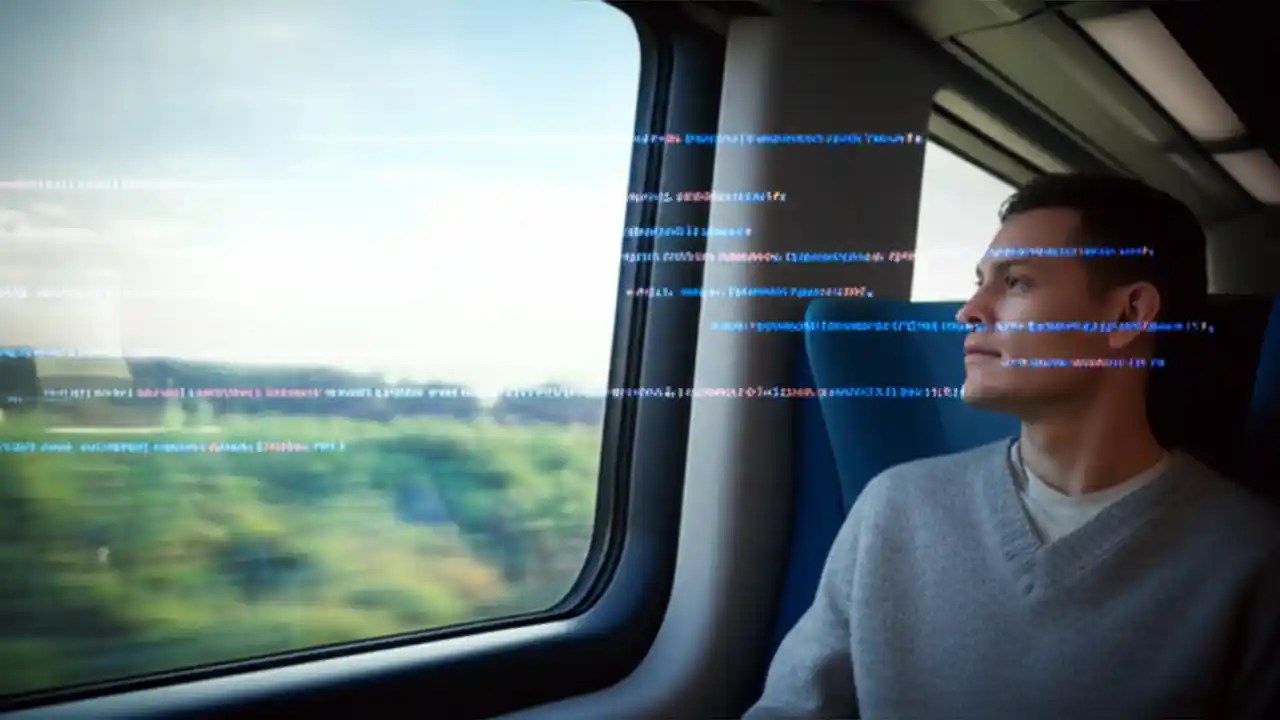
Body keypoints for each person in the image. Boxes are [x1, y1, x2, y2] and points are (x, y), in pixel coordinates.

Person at [743, 173, 1280, 720]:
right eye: (979, 282)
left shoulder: (1248, 559)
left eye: (1017, 282)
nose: (969, 310)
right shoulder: (894, 507)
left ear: (1129, 314)